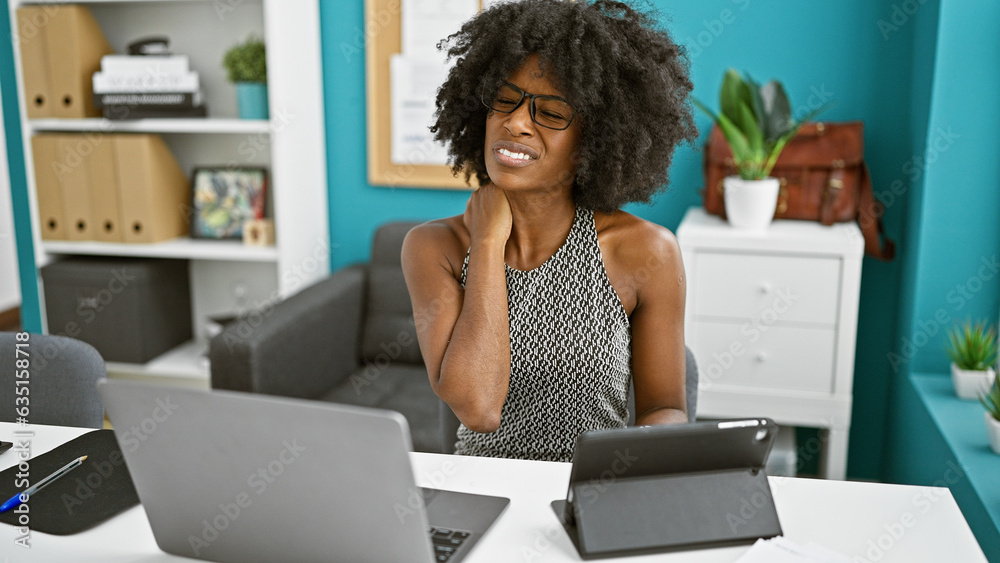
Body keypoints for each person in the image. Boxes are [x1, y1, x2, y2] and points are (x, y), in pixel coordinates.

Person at [401, 0, 697, 462]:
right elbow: (478, 408)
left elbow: (665, 408)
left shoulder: (645, 251)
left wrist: (635, 472)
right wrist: (487, 242)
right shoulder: (434, 247)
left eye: (551, 112)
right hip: (483, 494)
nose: (515, 122)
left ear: (595, 137)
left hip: (594, 495)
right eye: (504, 99)